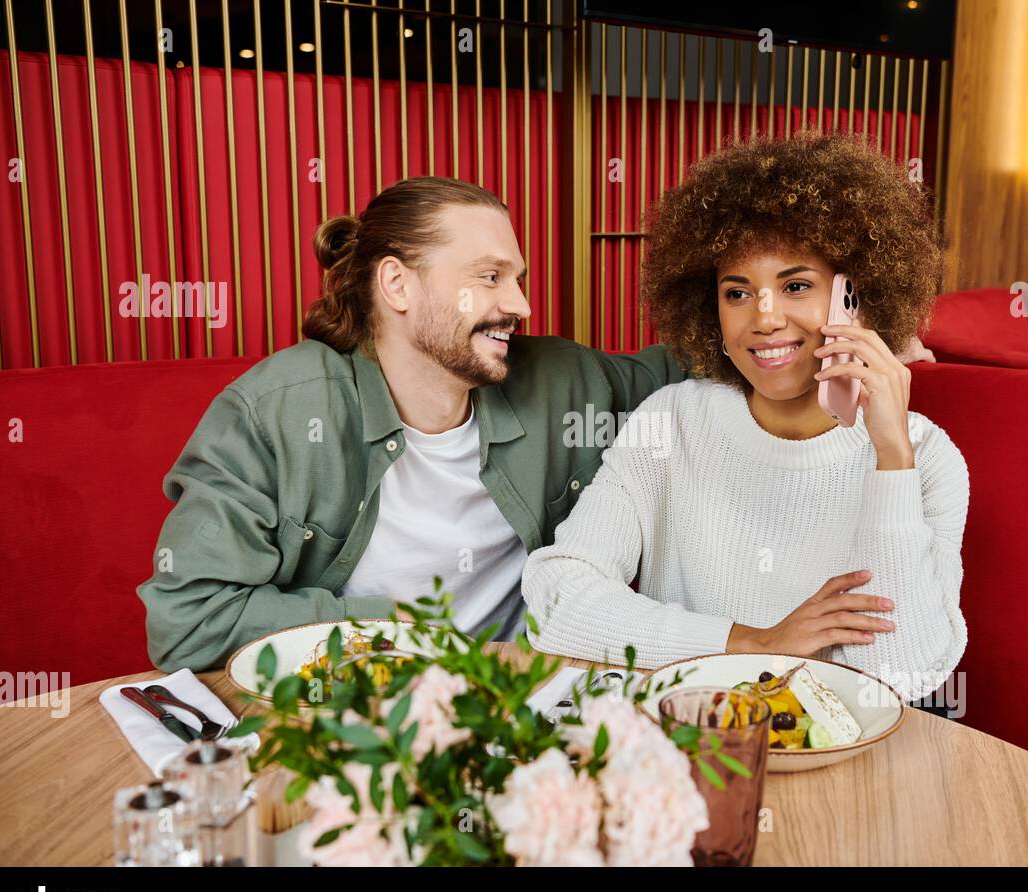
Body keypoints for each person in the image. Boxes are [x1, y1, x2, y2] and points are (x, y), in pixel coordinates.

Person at [139, 177, 686, 672]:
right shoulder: (273, 413)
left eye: (517, 278)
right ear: (397, 285)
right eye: (490, 277)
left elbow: (702, 361)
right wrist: (395, 628)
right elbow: (188, 621)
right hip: (357, 716)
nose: (520, 303)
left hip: (523, 713)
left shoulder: (562, 381)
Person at [521, 132, 970, 708]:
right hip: (687, 747)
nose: (763, 318)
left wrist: (891, 460)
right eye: (738, 292)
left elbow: (899, 679)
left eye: (797, 286)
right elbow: (557, 597)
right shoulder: (671, 423)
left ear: (856, 298)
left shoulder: (925, 460)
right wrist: (753, 644)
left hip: (841, 759)